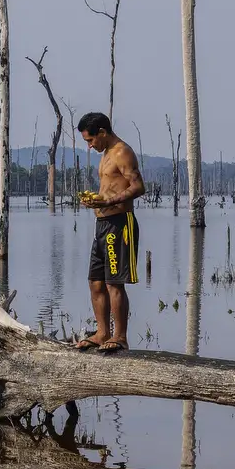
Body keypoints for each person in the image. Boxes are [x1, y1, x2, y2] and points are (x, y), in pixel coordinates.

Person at [75, 111, 143, 352]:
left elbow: (138, 186)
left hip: (120, 224)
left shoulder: (122, 152)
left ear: (102, 132)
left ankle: (120, 336)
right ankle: (102, 333)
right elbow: (110, 187)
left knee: (115, 283)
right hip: (102, 226)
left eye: (91, 140)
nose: (90, 145)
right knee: (96, 282)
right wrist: (96, 200)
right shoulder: (105, 155)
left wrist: (107, 203)